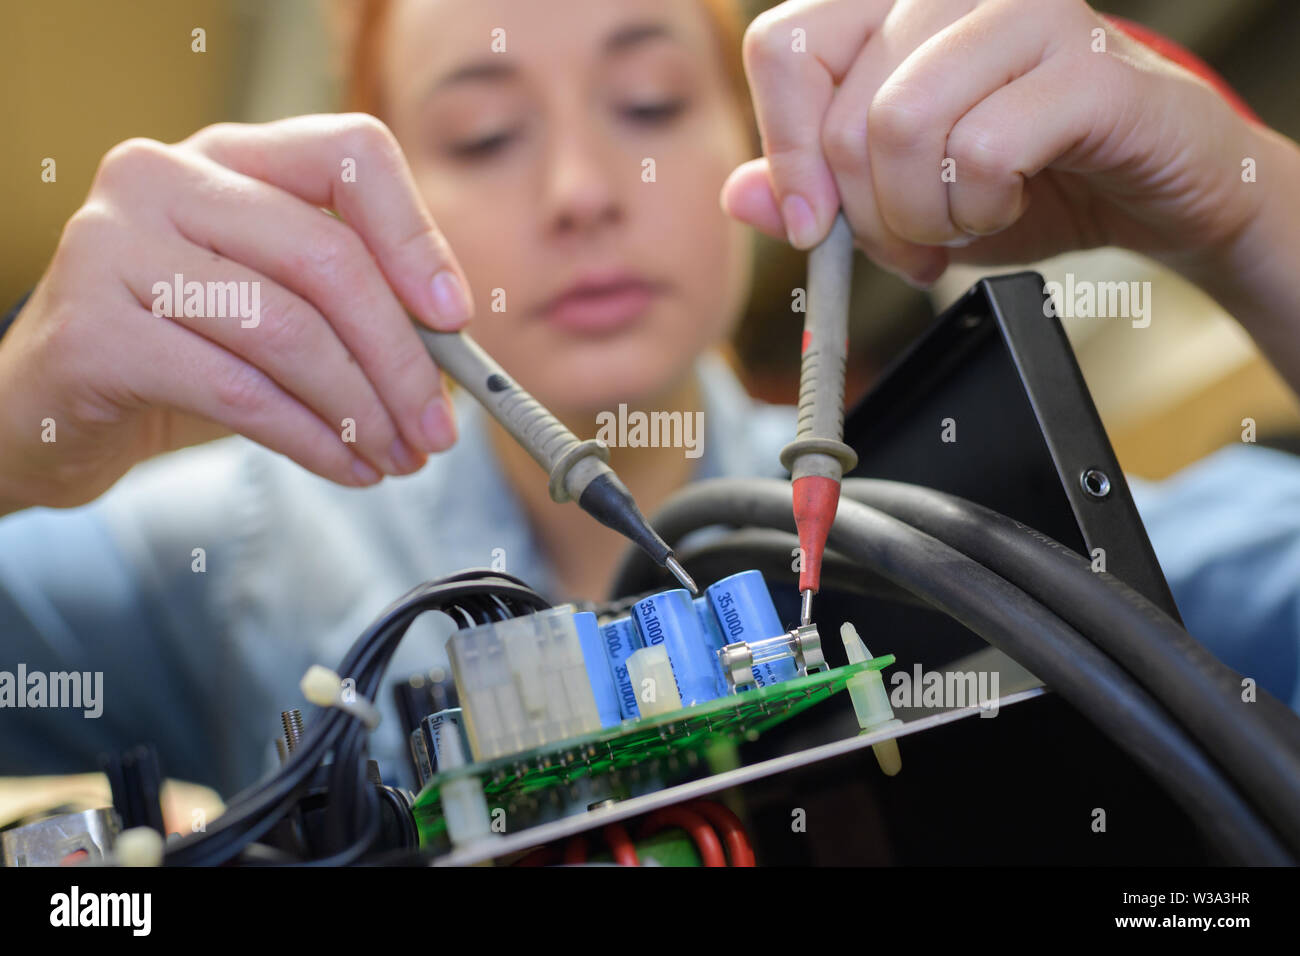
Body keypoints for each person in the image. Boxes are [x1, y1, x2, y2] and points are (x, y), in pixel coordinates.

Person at [1, 0, 1298, 798]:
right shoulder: (225, 551)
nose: (581, 189)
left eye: (648, 102)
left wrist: (1251, 216)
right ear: (376, 199)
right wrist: (15, 431)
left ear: (756, 140)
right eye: (483, 134)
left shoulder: (987, 531)